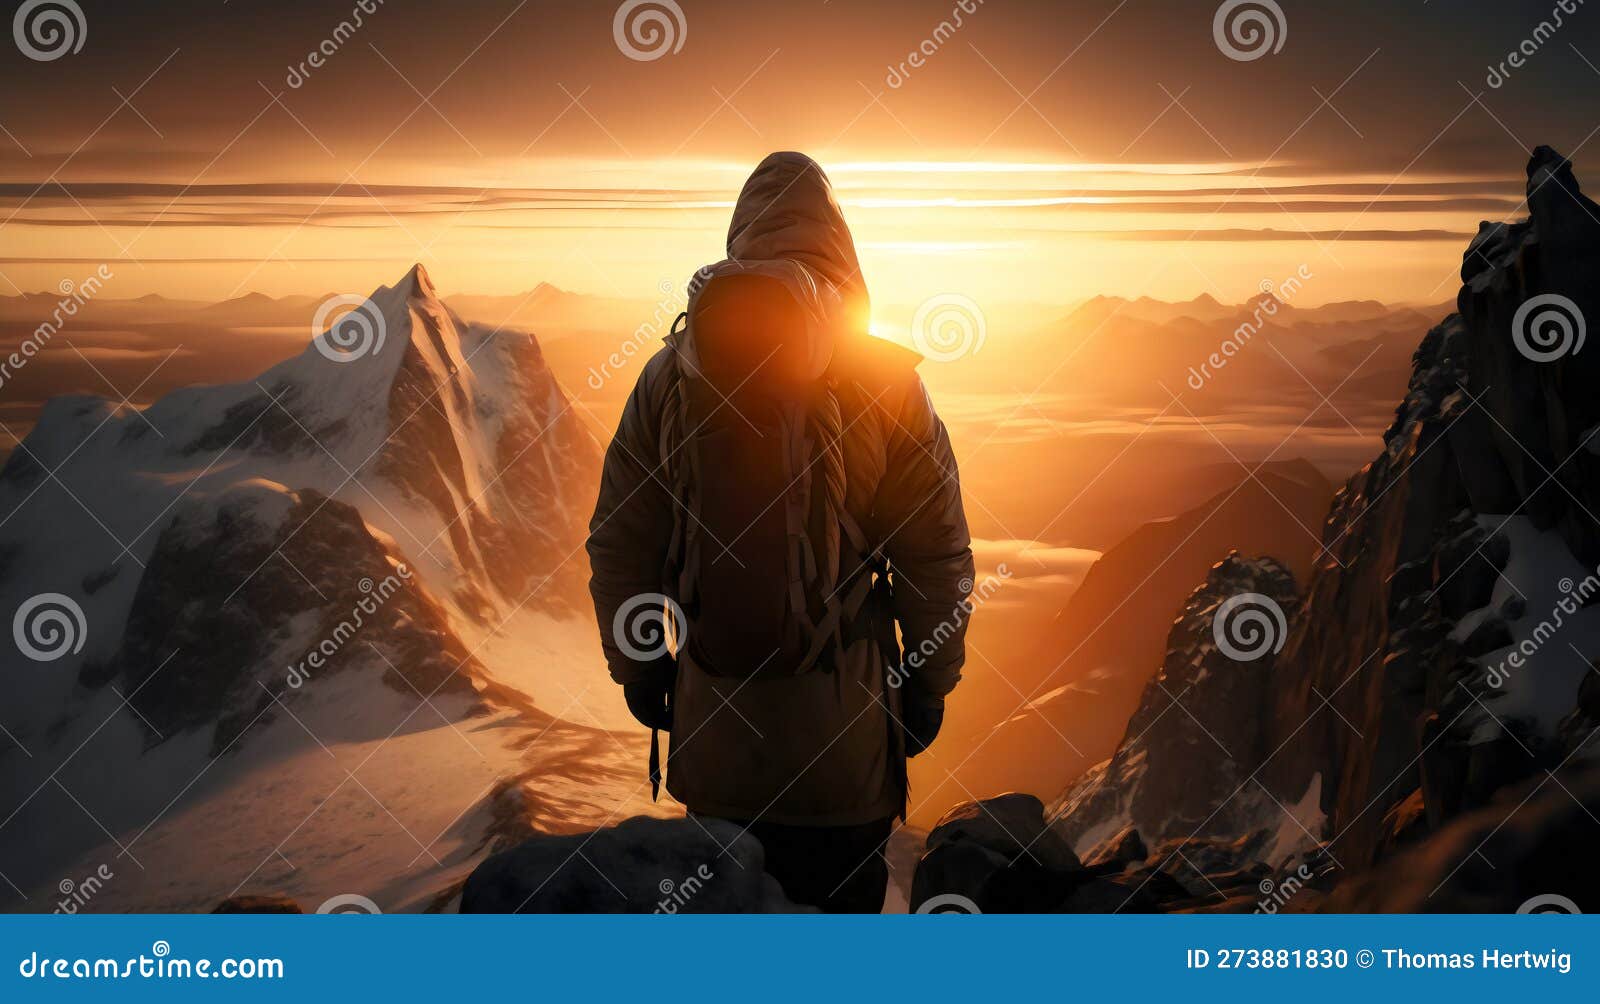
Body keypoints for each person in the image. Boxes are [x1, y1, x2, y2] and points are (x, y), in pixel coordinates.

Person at [587, 151, 973, 913]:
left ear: (742, 239)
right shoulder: (886, 379)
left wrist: (642, 671)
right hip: (845, 760)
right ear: (839, 245)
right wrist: (929, 685)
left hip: (715, 749)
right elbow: (936, 557)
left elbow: (620, 544)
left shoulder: (672, 375)